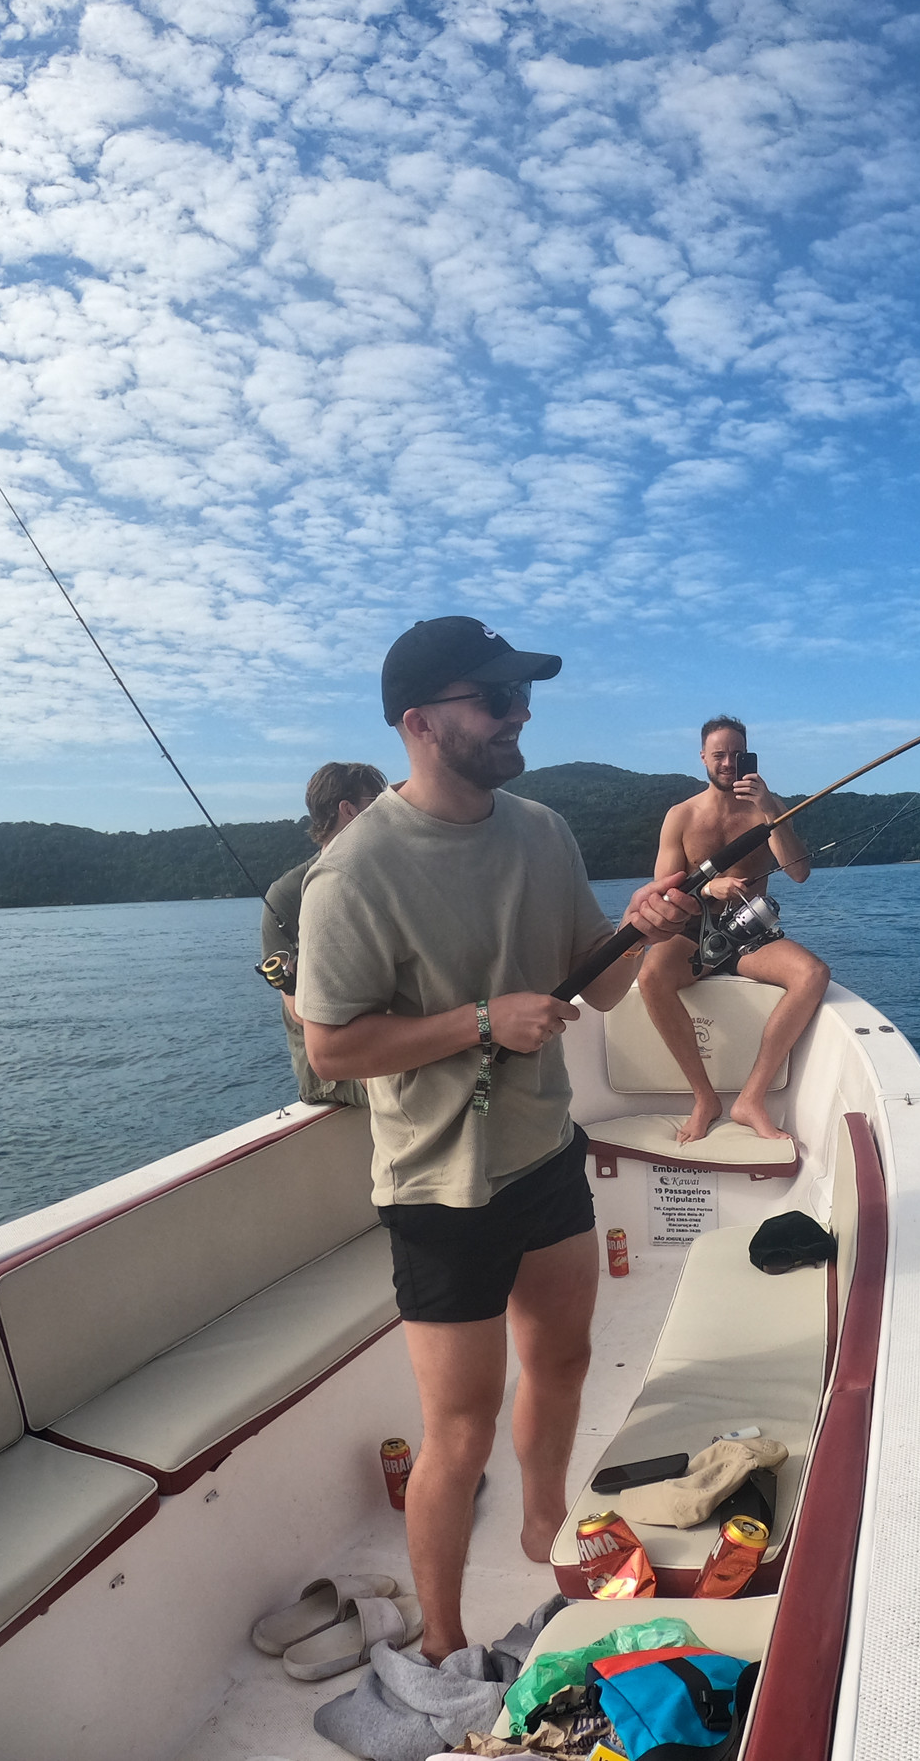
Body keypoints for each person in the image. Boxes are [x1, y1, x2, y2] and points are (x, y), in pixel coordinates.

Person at [294, 617, 699, 1663]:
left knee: (563, 1358)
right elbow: (332, 1047)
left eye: (522, 695)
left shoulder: (543, 831)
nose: (521, 713)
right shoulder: (352, 873)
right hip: (439, 1188)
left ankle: (543, 1523)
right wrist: (482, 1021)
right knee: (460, 1431)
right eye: (495, 698)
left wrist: (640, 930)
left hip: (545, 1152)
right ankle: (441, 1644)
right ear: (420, 723)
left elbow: (602, 983)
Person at [638, 715, 832, 1146]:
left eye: (737, 754)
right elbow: (664, 889)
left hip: (750, 935)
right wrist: (710, 886)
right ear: (703, 757)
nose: (728, 763)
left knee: (813, 975)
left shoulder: (770, 807)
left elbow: (798, 872)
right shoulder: (681, 816)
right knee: (651, 977)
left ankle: (751, 1099)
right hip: (692, 933)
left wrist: (771, 812)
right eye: (719, 754)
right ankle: (704, 1099)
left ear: (749, 756)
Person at [261, 761, 389, 1108]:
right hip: (332, 1069)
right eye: (378, 802)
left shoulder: (383, 879)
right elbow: (299, 1010)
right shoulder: (287, 895)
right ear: (348, 810)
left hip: (387, 1046)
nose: (389, 811)